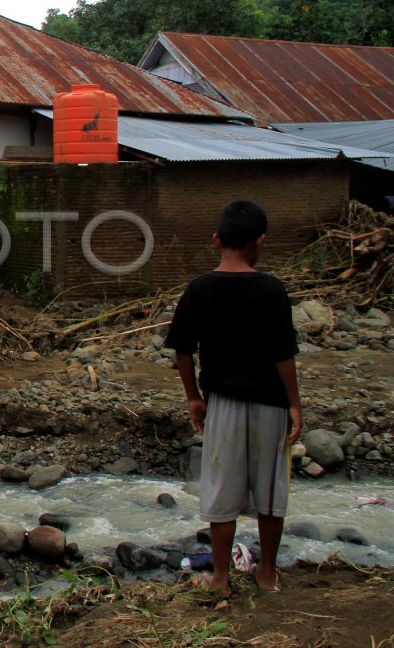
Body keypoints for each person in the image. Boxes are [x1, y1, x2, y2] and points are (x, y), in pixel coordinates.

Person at [164, 200, 302, 596]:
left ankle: (221, 577)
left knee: (222, 489)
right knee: (271, 492)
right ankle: (267, 573)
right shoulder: (272, 289)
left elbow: (183, 350)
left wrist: (193, 397)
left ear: (216, 240)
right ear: (260, 243)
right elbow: (283, 355)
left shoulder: (200, 288)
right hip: (271, 405)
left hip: (222, 404)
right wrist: (294, 403)